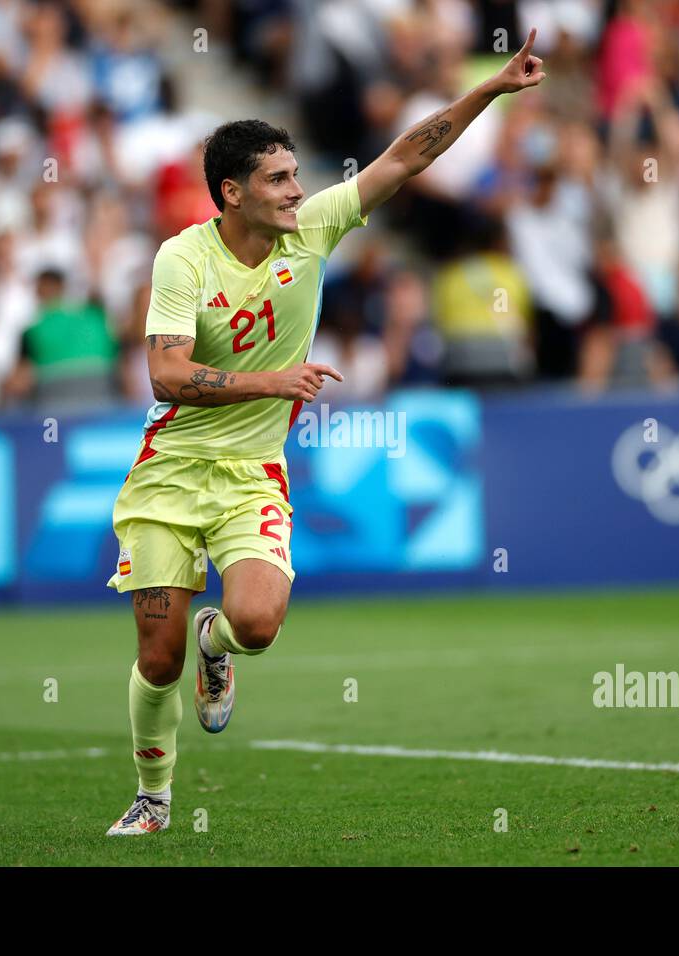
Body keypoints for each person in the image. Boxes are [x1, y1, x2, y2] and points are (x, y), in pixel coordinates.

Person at [104, 30, 548, 836]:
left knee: (259, 626)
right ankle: (154, 797)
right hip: (170, 470)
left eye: (295, 174)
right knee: (156, 661)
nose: (295, 190)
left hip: (251, 474)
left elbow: (407, 156)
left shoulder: (312, 230)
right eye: (277, 179)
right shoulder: (183, 260)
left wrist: (489, 91)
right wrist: (271, 381)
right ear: (231, 193)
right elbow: (165, 376)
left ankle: (218, 640)